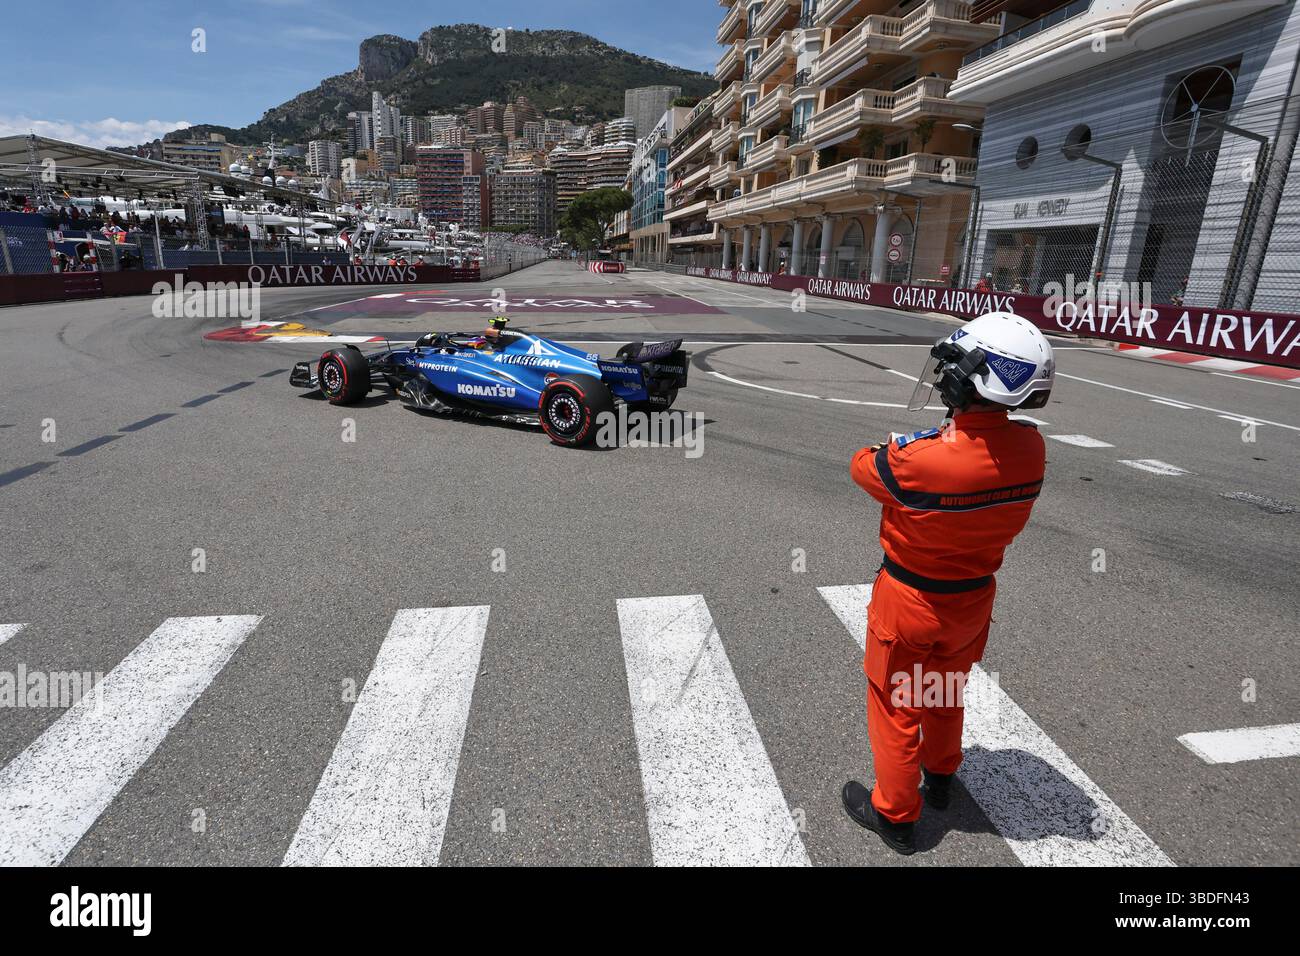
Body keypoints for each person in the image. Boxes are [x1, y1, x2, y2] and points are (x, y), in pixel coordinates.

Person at [842, 312, 1054, 855]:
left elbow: (862, 465)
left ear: (970, 380)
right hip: (973, 599)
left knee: (896, 705)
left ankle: (894, 814)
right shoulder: (1031, 450)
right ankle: (940, 774)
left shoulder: (922, 461)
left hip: (911, 598)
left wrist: (927, 439)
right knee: (944, 690)